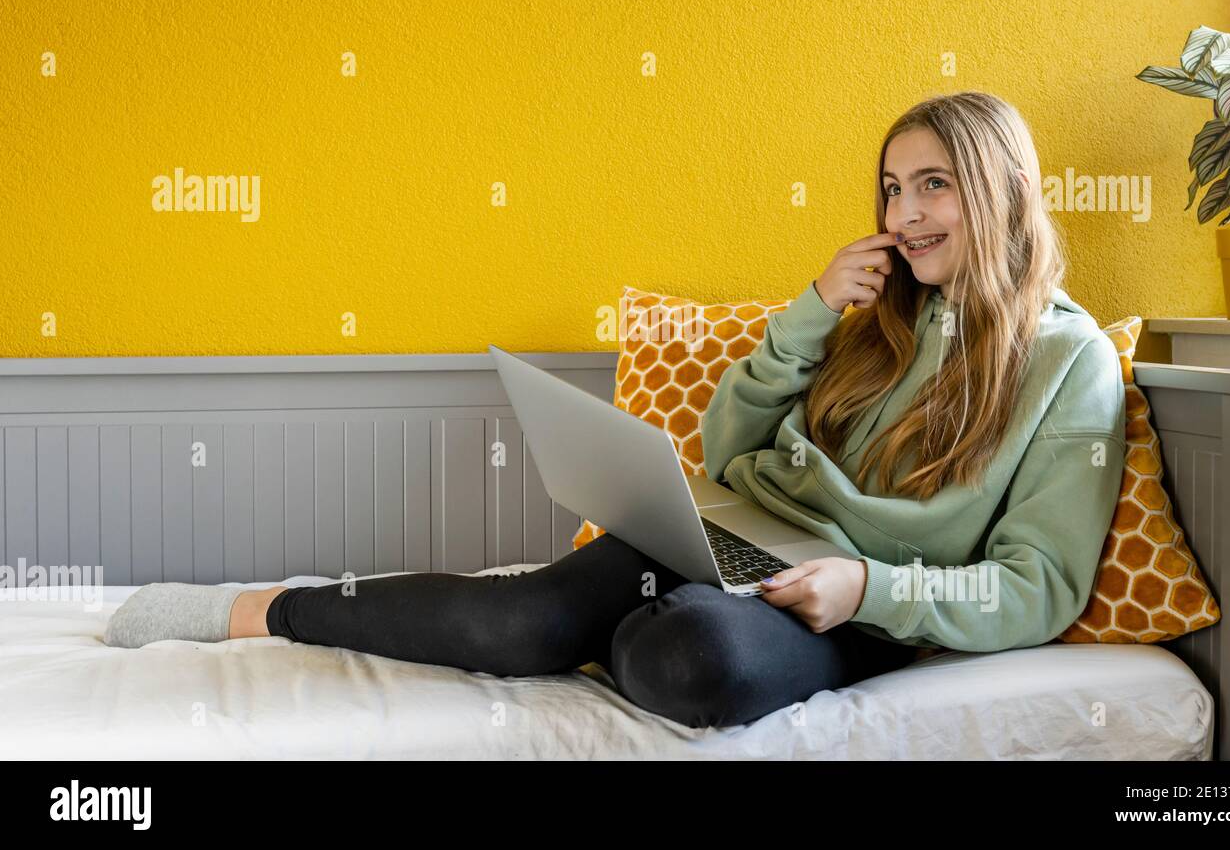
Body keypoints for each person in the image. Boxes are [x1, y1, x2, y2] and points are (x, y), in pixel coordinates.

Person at [104, 91, 1126, 729]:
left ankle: (644, 623)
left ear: (998, 191)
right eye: (891, 188)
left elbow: (1038, 585)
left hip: (854, 604)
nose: (901, 217)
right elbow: (725, 448)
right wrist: (810, 314)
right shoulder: (870, 314)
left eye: (932, 186)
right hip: (728, 533)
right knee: (521, 616)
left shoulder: (1070, 363)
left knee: (687, 659)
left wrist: (866, 585)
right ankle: (264, 605)